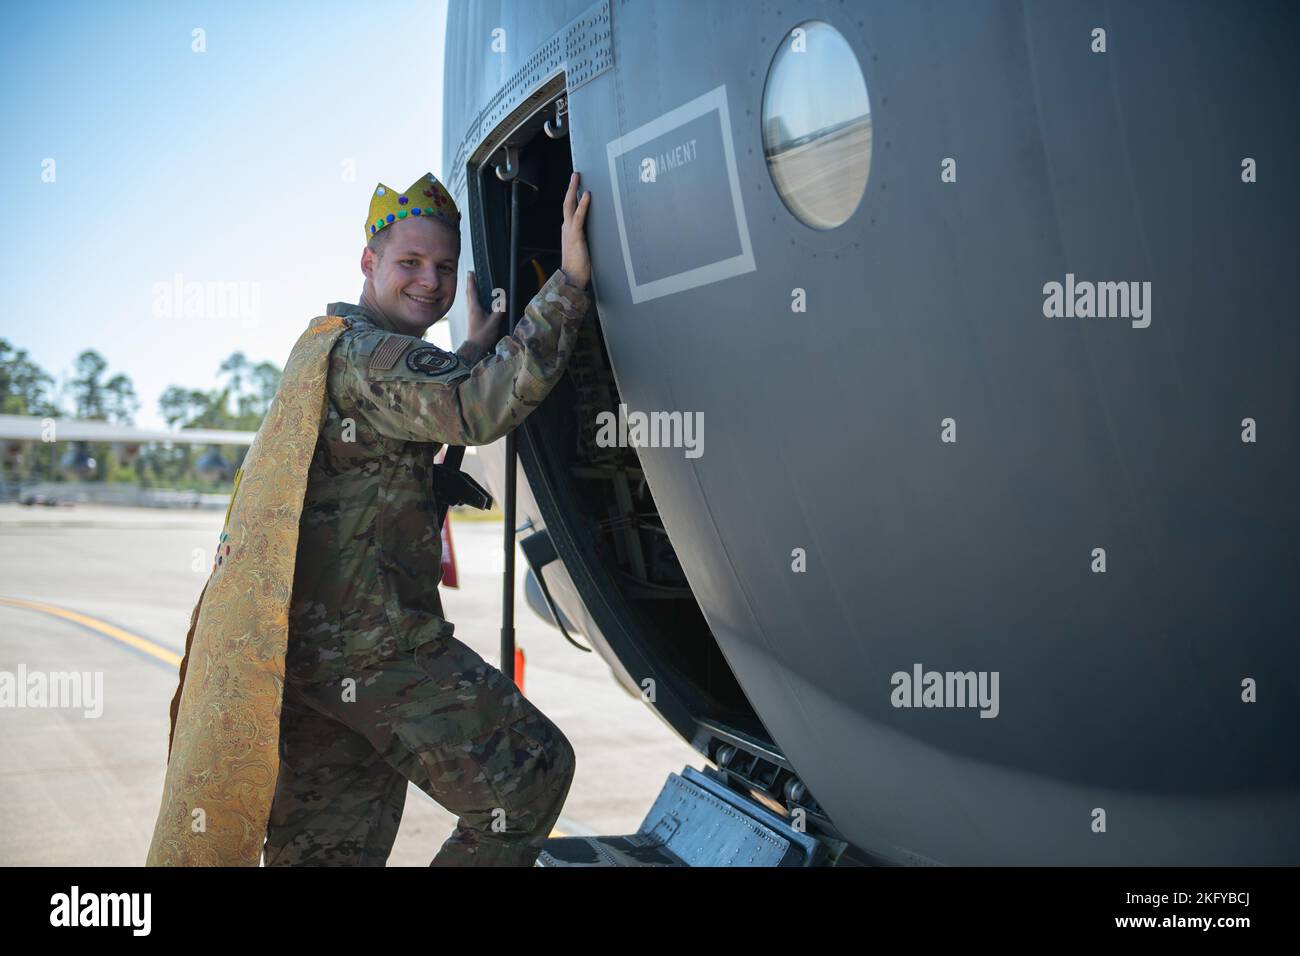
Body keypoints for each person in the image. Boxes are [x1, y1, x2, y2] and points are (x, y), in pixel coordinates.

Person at [260, 170, 593, 866]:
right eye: (409, 263)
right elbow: (475, 407)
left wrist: (470, 349)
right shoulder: (366, 353)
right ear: (368, 263)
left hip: (315, 660)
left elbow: (415, 408)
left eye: (444, 266)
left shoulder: (332, 344)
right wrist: (568, 283)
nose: (430, 281)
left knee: (327, 852)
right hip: (375, 650)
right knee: (528, 777)